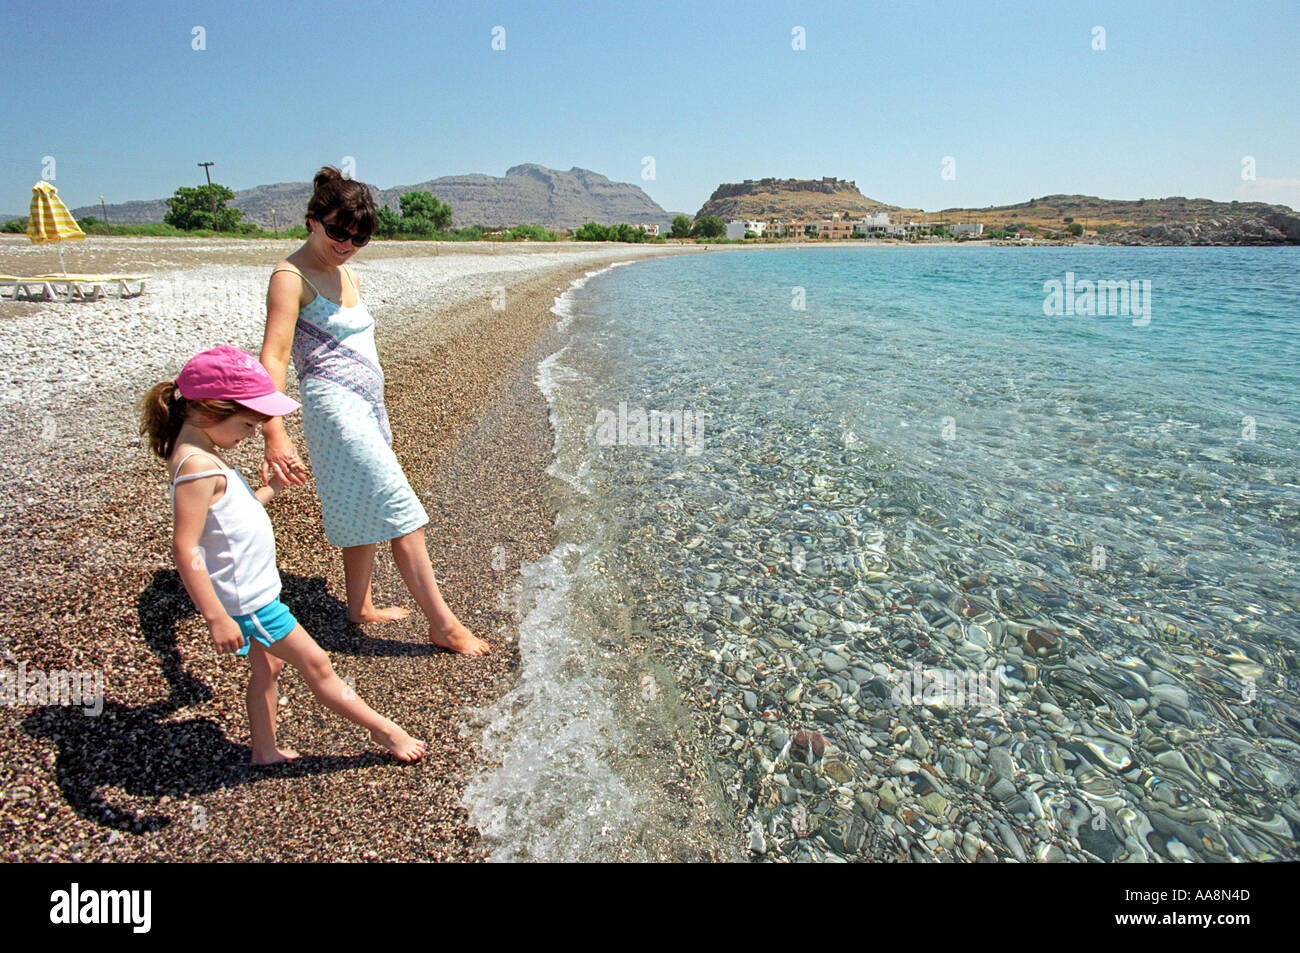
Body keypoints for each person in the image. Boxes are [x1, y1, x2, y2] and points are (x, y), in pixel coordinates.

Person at [139, 346, 427, 764]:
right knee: (319, 667)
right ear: (206, 409)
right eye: (246, 423)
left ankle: (265, 750)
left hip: (255, 596)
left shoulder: (201, 456)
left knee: (268, 668)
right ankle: (387, 732)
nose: (252, 434)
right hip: (250, 604)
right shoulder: (197, 468)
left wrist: (273, 486)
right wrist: (217, 617)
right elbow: (185, 548)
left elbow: (231, 518)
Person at [259, 167, 489, 656]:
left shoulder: (347, 272)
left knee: (355, 501)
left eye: (359, 237)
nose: (346, 244)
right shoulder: (289, 277)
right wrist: (274, 433)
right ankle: (443, 625)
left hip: (369, 406)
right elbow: (274, 357)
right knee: (402, 510)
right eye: (338, 232)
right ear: (312, 220)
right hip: (333, 409)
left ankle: (358, 606)